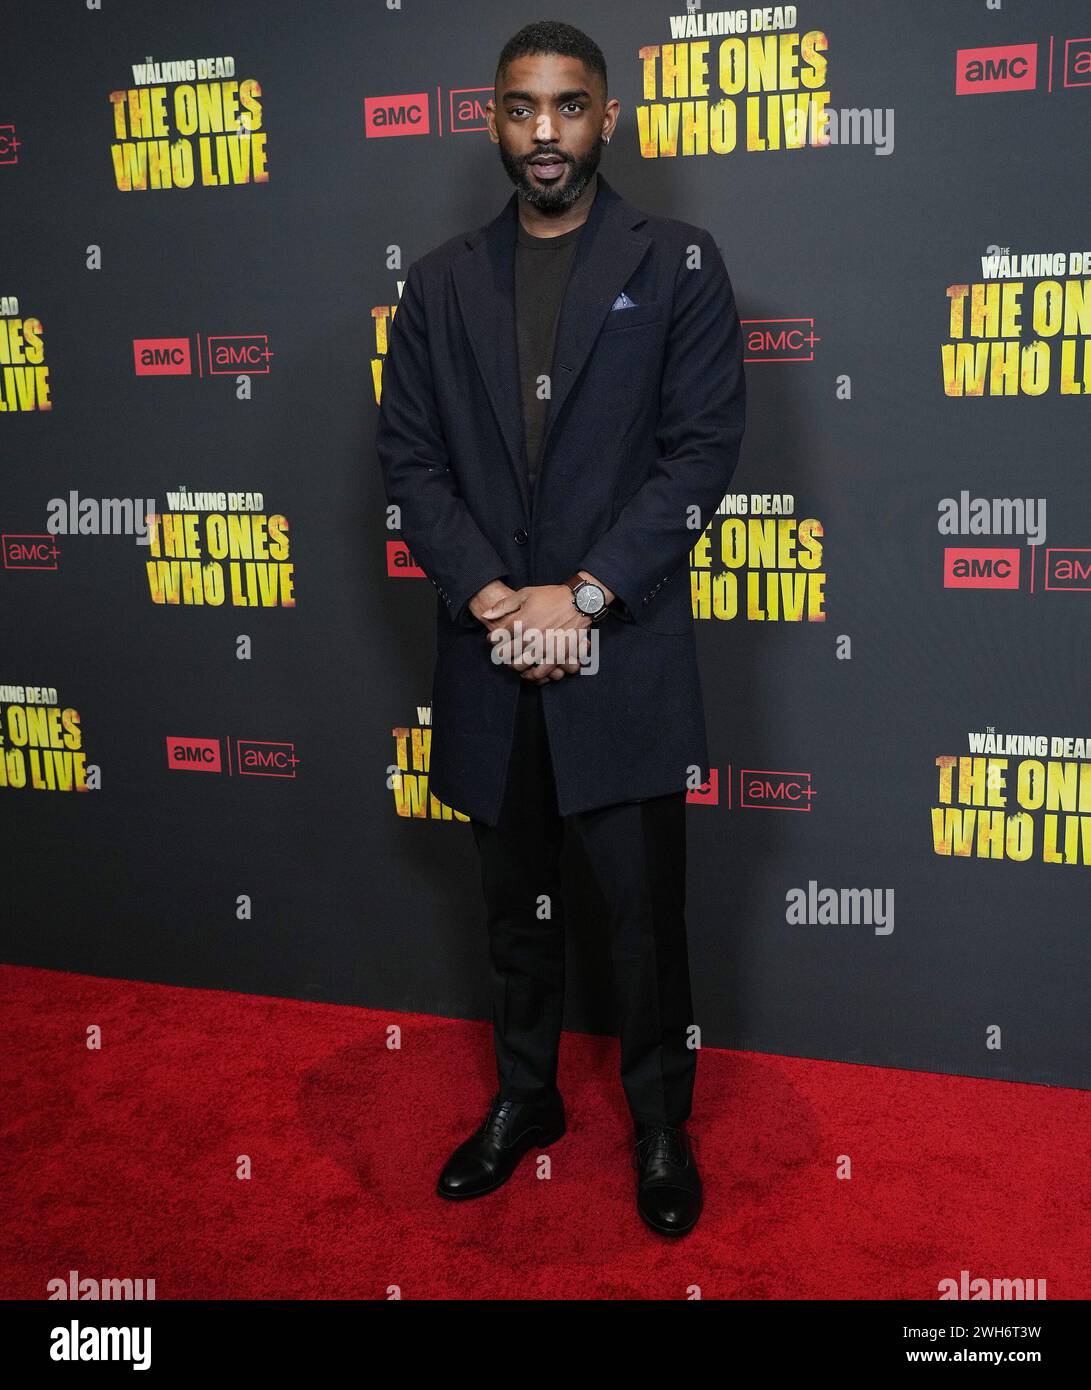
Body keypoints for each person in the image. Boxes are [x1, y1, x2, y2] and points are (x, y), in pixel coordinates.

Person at [376, 20, 746, 1236]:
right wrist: (497, 601)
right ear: (492, 118)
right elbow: (411, 461)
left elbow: (699, 455)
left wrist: (580, 596)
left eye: (569, 106)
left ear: (606, 117)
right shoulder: (438, 283)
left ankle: (658, 1127)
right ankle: (525, 1098)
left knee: (642, 924)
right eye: (522, 107)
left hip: (619, 651)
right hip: (490, 658)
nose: (545, 131)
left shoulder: (677, 262)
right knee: (513, 913)